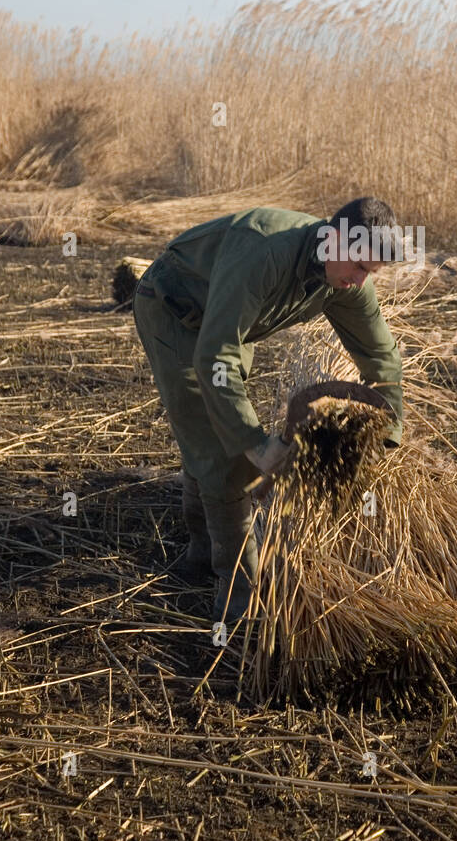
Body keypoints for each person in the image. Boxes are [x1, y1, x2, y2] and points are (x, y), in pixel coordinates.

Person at [133, 196, 404, 622]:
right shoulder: (262, 251)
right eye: (358, 266)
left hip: (228, 322)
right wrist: (254, 445)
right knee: (225, 453)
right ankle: (239, 603)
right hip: (173, 311)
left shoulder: (346, 280)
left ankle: (199, 554)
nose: (360, 280)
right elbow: (214, 358)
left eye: (370, 272)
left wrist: (388, 433)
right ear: (333, 238)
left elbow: (381, 356)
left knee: (210, 435)